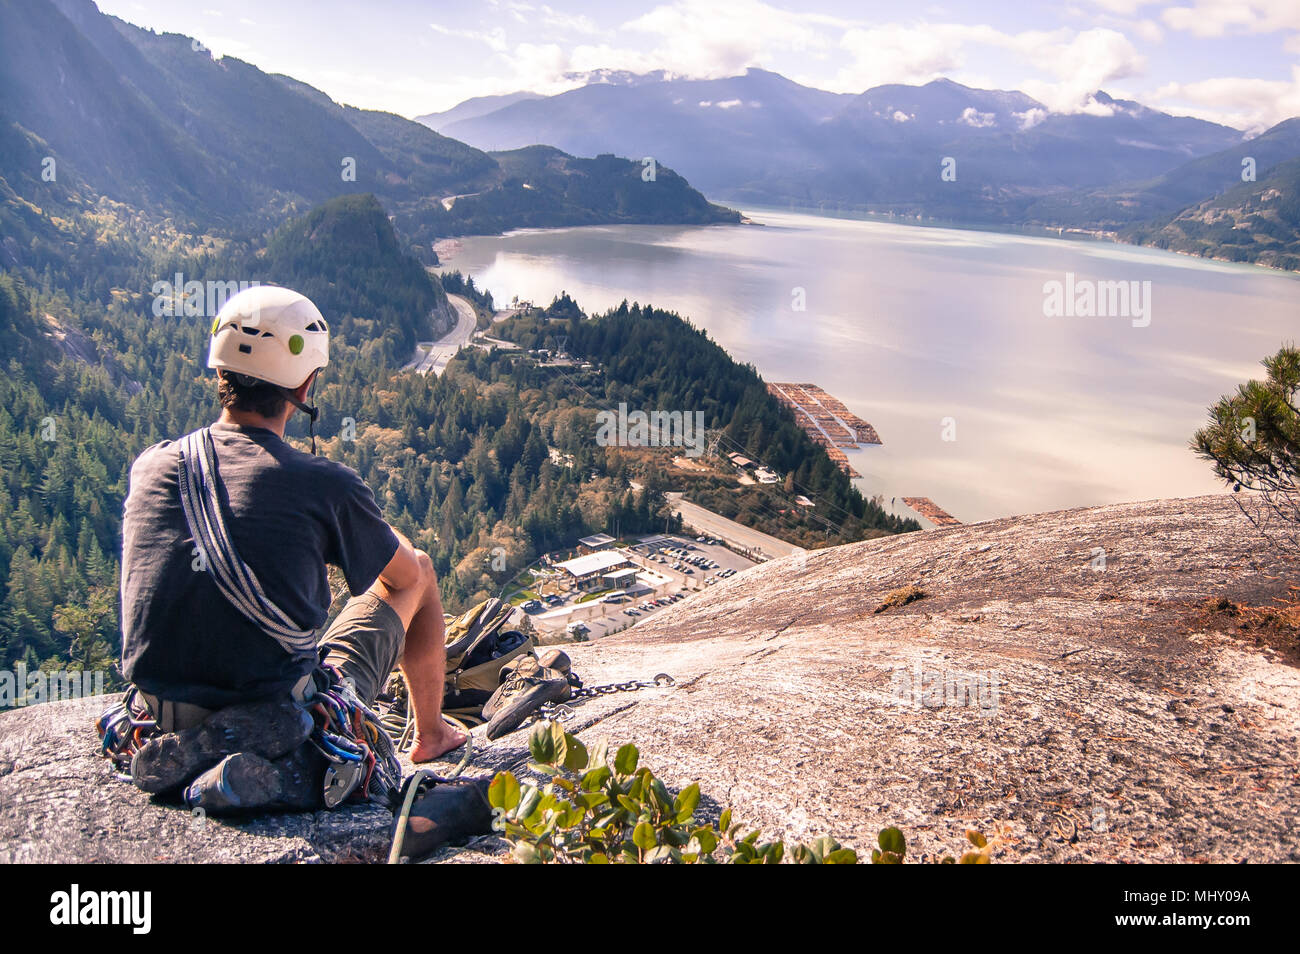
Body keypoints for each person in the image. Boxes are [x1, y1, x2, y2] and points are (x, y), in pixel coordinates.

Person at [119, 285, 465, 807]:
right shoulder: (326, 484)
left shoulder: (153, 465)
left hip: (161, 709)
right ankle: (431, 736)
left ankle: (197, 743)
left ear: (220, 373)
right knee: (420, 566)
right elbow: (402, 579)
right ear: (305, 386)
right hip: (279, 706)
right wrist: (354, 528)